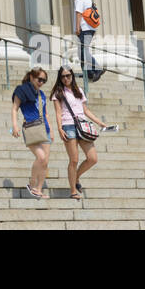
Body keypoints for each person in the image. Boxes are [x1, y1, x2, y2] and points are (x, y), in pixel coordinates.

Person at [51, 67, 109, 201]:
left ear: (72, 76)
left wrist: (99, 122)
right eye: (63, 76)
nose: (66, 78)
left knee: (92, 158)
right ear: (60, 78)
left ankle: (76, 176)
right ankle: (72, 190)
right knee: (74, 159)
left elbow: (85, 110)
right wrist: (59, 129)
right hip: (68, 125)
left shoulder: (79, 90)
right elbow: (58, 113)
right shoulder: (58, 92)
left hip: (83, 125)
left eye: (68, 75)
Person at [10, 67, 51, 199]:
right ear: (32, 77)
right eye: (39, 79)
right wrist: (15, 126)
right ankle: (31, 183)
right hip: (30, 128)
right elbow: (15, 108)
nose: (41, 82)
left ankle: (38, 189)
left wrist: (50, 129)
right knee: (41, 157)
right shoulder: (21, 90)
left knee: (45, 162)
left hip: (44, 129)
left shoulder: (42, 94)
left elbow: (45, 113)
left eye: (44, 80)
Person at [73, 0, 100, 79]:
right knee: (83, 51)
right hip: (90, 28)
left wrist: (77, 28)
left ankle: (97, 69)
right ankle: (88, 73)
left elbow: (79, 13)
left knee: (83, 51)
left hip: (84, 28)